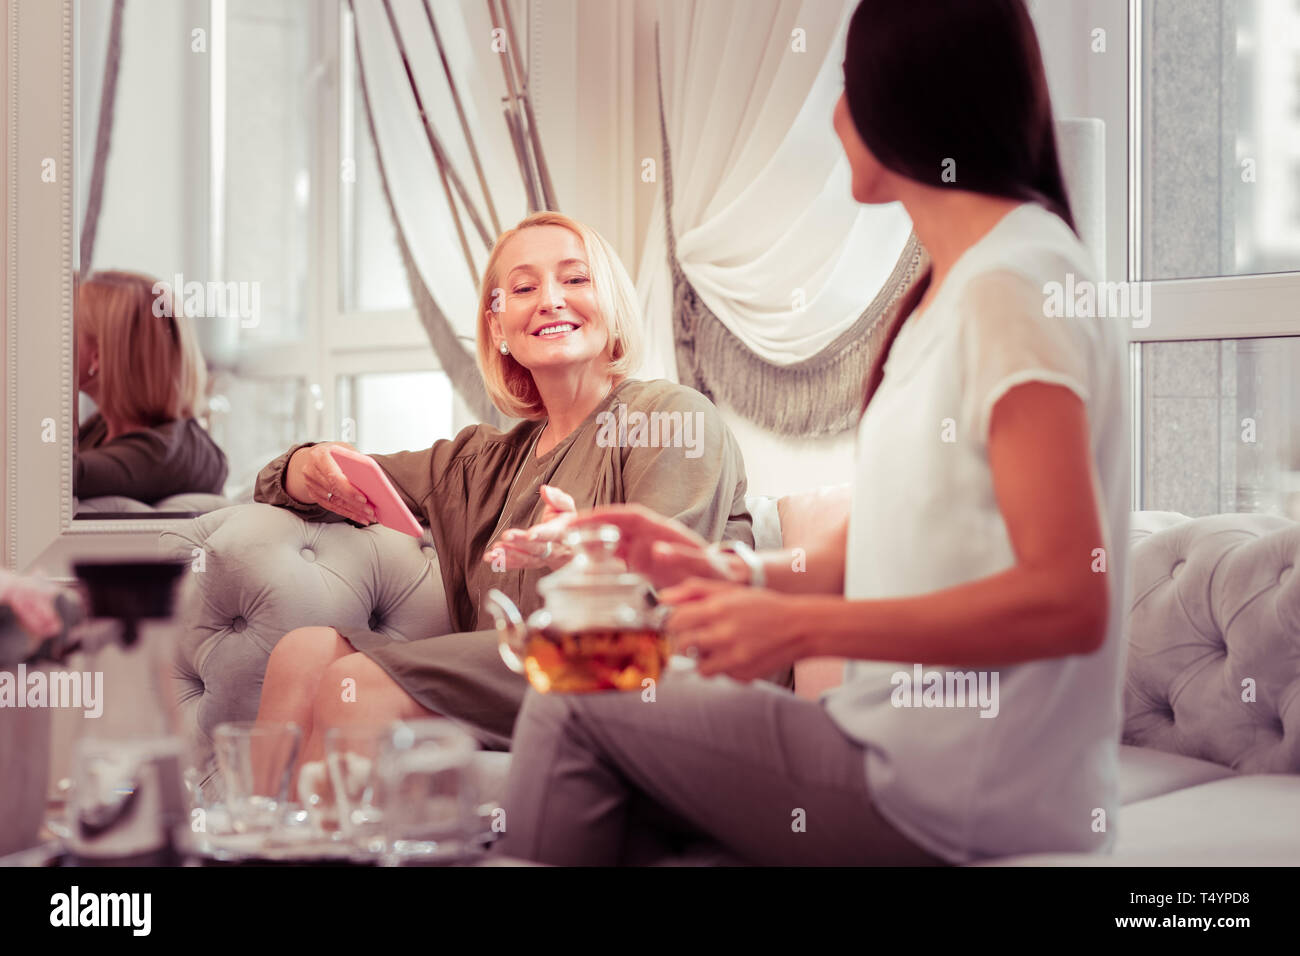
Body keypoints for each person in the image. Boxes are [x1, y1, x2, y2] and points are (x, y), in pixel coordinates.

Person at [496, 0, 1130, 866]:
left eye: (844, 86)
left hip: (959, 796)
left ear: (903, 94)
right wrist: (727, 568)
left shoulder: (1017, 284)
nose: (836, 117)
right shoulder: (955, 291)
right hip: (902, 756)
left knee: (575, 694)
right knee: (624, 774)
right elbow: (867, 556)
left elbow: (1068, 598)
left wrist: (803, 633)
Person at [253, 211, 762, 781]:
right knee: (305, 654)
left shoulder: (670, 417)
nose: (549, 300)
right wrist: (305, 465)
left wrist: (589, 564)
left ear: (611, 304)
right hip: (520, 674)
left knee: (360, 687)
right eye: (523, 288)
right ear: (498, 327)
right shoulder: (482, 461)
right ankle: (258, 842)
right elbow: (316, 477)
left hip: (629, 672)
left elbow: (667, 588)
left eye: (575, 279)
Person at [75, 270, 228, 503]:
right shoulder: (105, 426)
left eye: (69, 330)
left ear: (98, 356)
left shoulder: (160, 454)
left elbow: (40, 476)